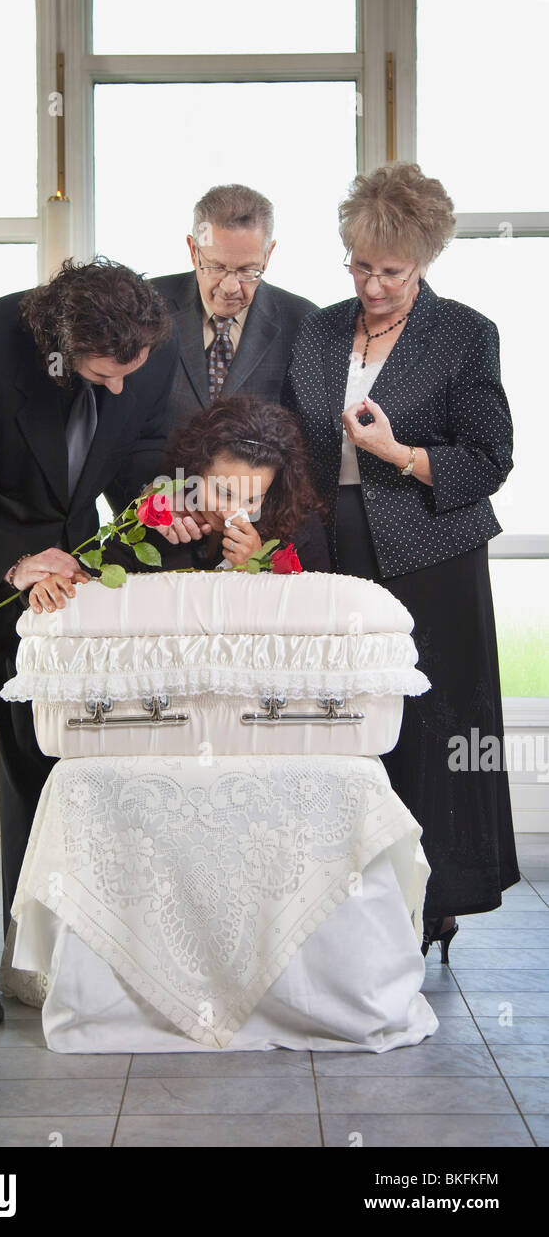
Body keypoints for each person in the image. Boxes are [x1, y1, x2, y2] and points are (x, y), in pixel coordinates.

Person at [0, 256, 178, 1026]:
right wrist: (15, 564)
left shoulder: (143, 349)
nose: (122, 386)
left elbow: (143, 453)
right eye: (104, 372)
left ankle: (41, 937)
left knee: (45, 756)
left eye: (134, 369)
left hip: (68, 580)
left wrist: (172, 512)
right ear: (61, 345)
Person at [282, 161, 520, 959]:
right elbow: (289, 441)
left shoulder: (465, 334)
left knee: (433, 724)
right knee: (349, 720)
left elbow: (490, 459)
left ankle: (437, 895)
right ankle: (349, 896)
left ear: (424, 262)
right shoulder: (318, 331)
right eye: (360, 266)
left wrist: (397, 452)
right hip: (333, 547)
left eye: (392, 271)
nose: (373, 285)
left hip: (433, 551)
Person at [27, 395, 331, 615]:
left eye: (253, 499)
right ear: (196, 472)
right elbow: (98, 584)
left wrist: (255, 572)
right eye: (223, 493)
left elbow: (315, 613)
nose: (232, 511)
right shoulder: (158, 514)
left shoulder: (300, 526)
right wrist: (59, 586)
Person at [152, 183, 322, 437]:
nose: (230, 287)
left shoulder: (303, 321)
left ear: (268, 255)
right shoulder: (150, 306)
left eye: (247, 270)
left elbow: (306, 437)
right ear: (193, 250)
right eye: (216, 267)